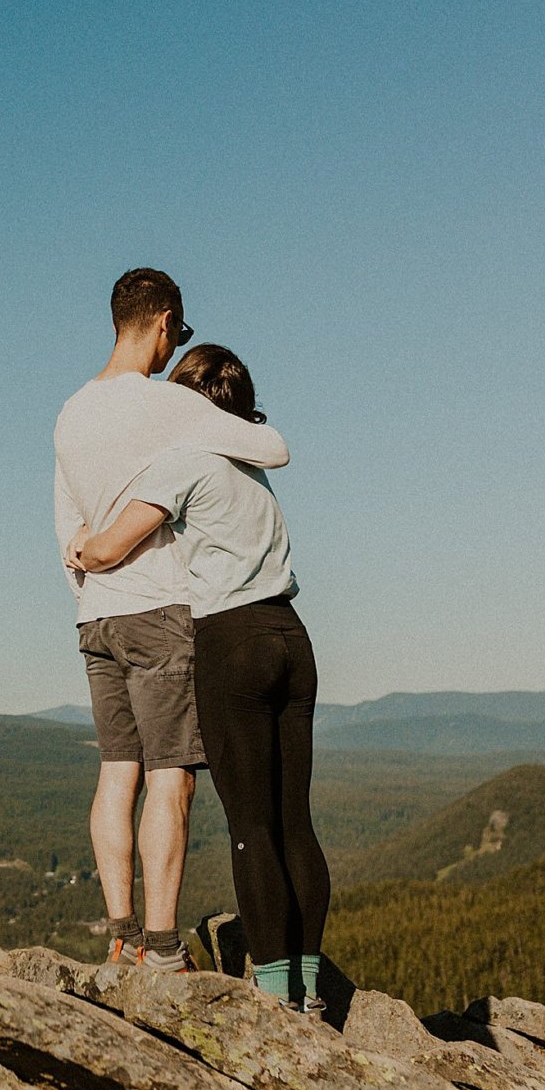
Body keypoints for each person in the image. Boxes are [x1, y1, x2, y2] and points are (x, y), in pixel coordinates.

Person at [67, 343, 328, 1013]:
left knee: (251, 829)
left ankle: (277, 998)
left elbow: (114, 542)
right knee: (295, 821)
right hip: (291, 636)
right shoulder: (254, 470)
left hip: (230, 642)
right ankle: (313, 987)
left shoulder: (184, 463)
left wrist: (80, 548)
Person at [53, 271, 290, 972]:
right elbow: (272, 447)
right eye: (177, 335)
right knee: (171, 778)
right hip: (158, 608)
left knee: (115, 772)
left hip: (95, 613)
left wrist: (88, 578)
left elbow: (68, 527)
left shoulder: (69, 414)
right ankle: (161, 948)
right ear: (163, 323)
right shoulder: (162, 407)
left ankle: (121, 932)